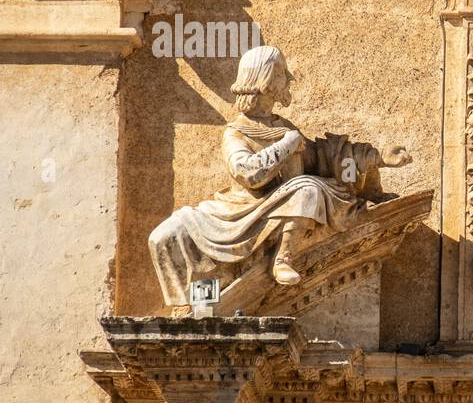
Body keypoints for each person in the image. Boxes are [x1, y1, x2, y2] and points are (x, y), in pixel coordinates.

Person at [149, 45, 411, 307]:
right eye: (282, 73)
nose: (290, 79)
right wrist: (286, 145)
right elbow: (247, 173)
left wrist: (378, 159)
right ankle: (192, 304)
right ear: (266, 80)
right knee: (165, 236)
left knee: (307, 187)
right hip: (241, 210)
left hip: (281, 203)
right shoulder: (237, 132)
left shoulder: (284, 128)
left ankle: (282, 257)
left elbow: (324, 158)